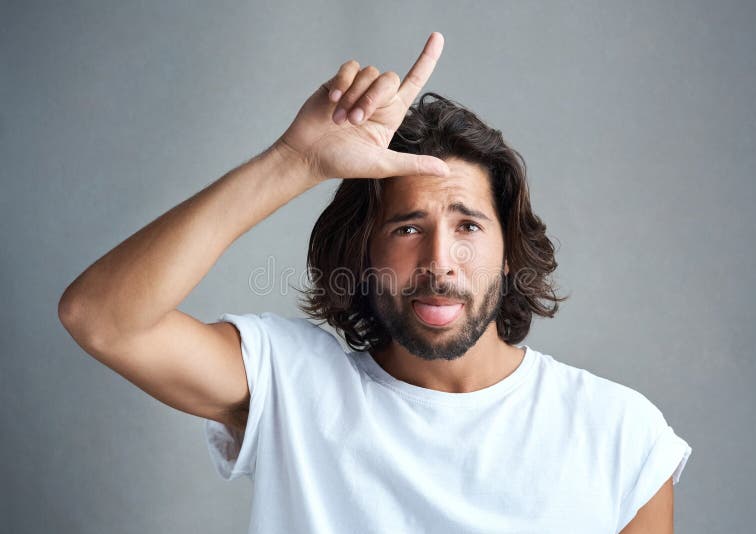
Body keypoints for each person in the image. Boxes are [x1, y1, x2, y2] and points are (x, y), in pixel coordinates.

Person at [58, 32, 692, 533]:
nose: (440, 263)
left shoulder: (621, 434)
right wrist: (294, 161)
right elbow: (101, 318)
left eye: (468, 226)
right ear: (363, 253)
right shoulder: (291, 383)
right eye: (408, 228)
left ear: (507, 253)